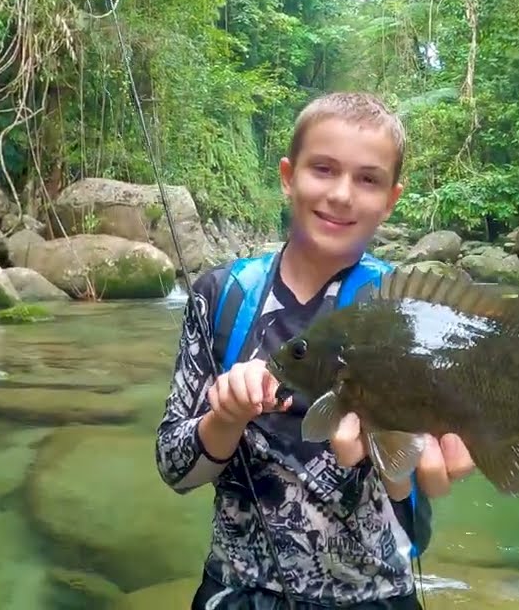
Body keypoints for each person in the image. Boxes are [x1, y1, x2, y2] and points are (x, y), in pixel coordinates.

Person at [154, 92, 477, 610]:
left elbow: (416, 520)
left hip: (377, 595)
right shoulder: (222, 296)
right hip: (239, 592)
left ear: (391, 198)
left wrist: (402, 472)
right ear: (288, 175)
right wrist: (225, 417)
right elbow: (175, 468)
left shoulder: (411, 310)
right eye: (323, 169)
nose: (342, 194)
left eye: (368, 179)